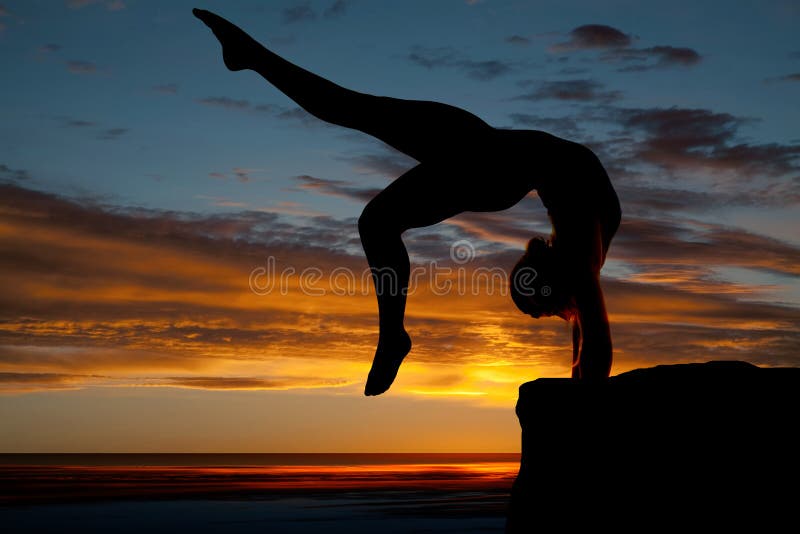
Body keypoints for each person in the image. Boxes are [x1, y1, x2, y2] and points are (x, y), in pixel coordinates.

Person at [193, 9, 622, 396]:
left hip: (486, 154)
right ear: (552, 288)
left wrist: (578, 383)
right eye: (547, 310)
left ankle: (252, 56)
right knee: (357, 138)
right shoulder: (581, 264)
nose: (560, 316)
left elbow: (585, 347)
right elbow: (594, 351)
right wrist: (581, 406)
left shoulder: (581, 257)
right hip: (486, 162)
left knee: (354, 123)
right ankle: (250, 56)